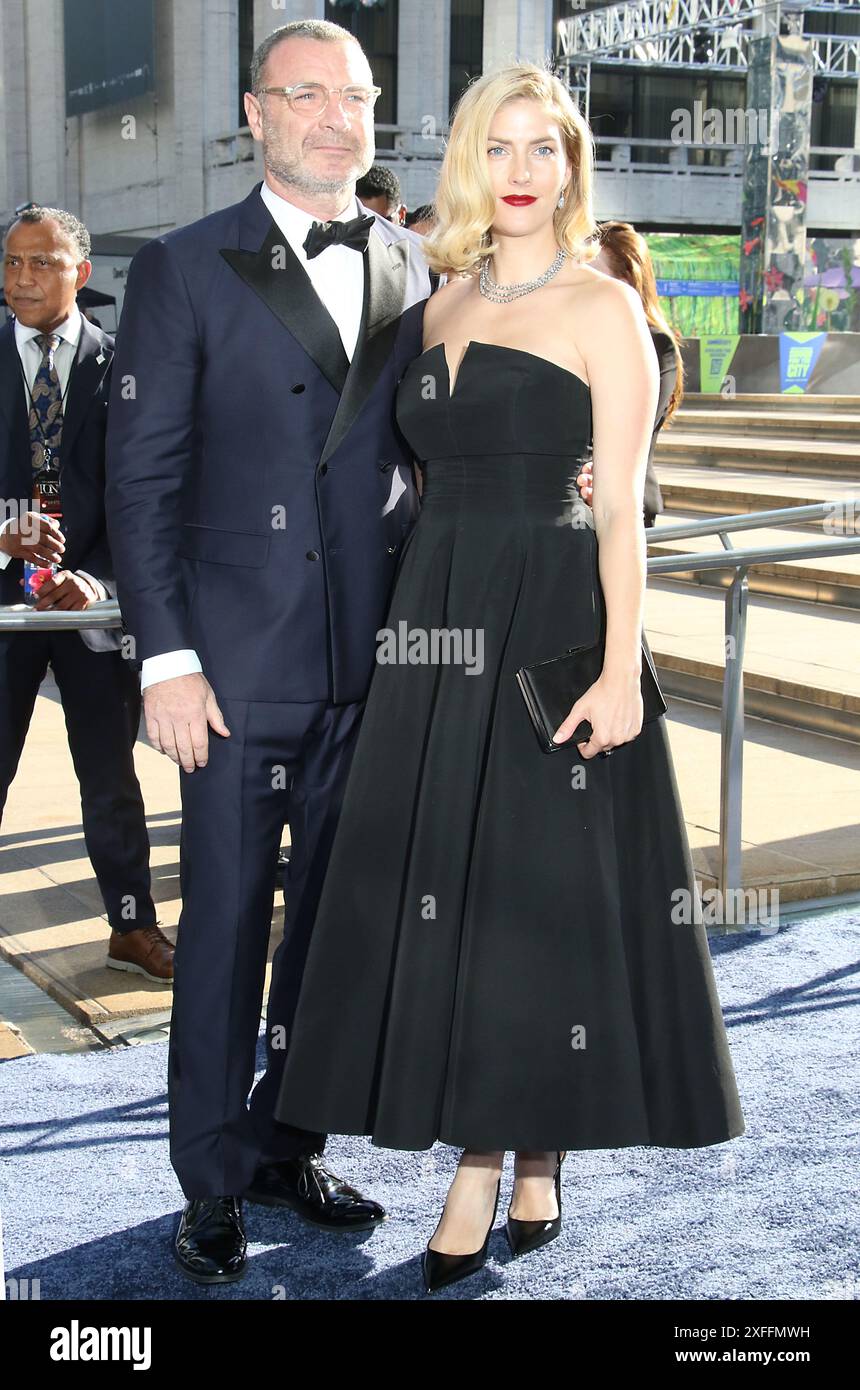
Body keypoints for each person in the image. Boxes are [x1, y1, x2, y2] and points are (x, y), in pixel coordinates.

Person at [274, 61, 745, 1295]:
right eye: (501, 148)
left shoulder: (604, 311)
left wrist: (621, 668)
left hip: (550, 625)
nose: (524, 172)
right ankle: (534, 1152)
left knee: (527, 903)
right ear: (469, 162)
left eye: (547, 150)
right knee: (464, 893)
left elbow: (623, 517)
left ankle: (480, 1164)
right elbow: (406, 479)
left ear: (572, 168)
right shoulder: (428, 308)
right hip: (437, 633)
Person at [104, 19, 437, 1285]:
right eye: (303, 96)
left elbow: (425, 443)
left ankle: (290, 1137)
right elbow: (140, 479)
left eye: (349, 95)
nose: (330, 116)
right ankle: (209, 1175)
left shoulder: (410, 258)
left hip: (378, 659)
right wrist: (164, 660)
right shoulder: (186, 265)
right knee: (231, 924)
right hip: (234, 671)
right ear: (256, 114)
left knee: (333, 932)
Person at [0, 207, 166, 981]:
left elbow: (147, 491)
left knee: (109, 775)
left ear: (82, 272)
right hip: (3, 605)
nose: (22, 278)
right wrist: (2, 532)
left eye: (42, 263)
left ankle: (130, 928)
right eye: (11, 263)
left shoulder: (127, 364)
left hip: (91, 608)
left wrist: (95, 578)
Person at [577, 220, 684, 527]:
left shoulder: (655, 343)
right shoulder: (580, 334)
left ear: (626, 280)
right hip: (582, 499)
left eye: (593, 273)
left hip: (622, 506)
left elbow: (626, 428)